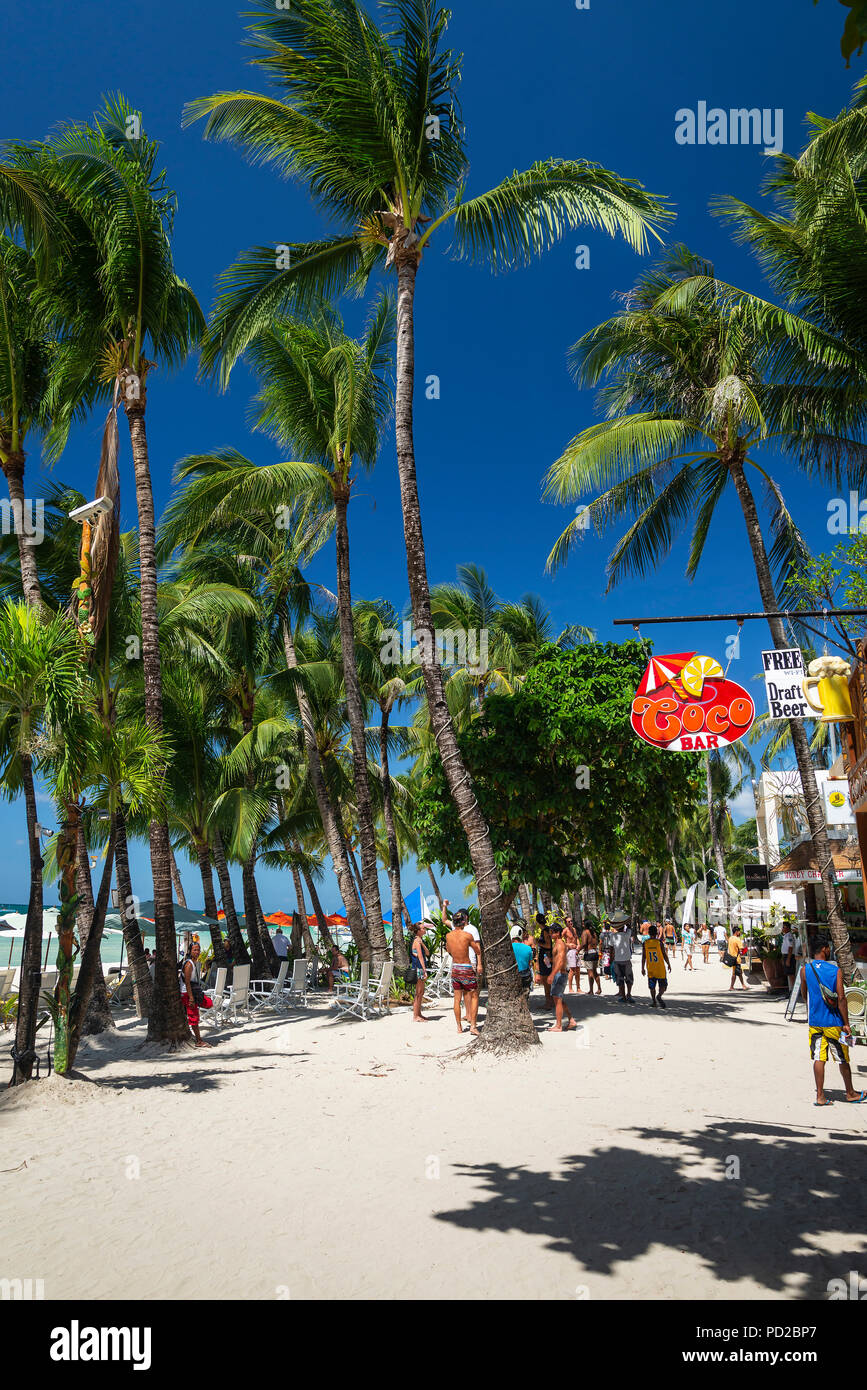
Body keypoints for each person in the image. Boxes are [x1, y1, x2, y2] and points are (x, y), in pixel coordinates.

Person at [800, 938, 864, 1106]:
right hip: (833, 1021)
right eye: (828, 948)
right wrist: (847, 1023)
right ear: (824, 949)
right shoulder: (835, 970)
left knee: (818, 1058)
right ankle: (850, 1093)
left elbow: (803, 995)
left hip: (815, 1022)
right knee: (842, 1059)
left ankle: (820, 1096)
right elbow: (841, 999)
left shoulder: (805, 970)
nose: (829, 950)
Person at [446, 915, 483, 1036]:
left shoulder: (448, 936)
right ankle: (473, 1026)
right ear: (463, 922)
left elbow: (448, 950)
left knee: (457, 999)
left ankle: (459, 1027)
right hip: (466, 968)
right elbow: (477, 950)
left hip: (455, 968)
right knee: (474, 996)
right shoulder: (467, 935)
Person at [179, 940, 213, 1048]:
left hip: (192, 992)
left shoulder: (193, 963)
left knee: (209, 1003)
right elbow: (187, 982)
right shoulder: (189, 964)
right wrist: (191, 998)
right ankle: (199, 1041)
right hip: (187, 993)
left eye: (198, 950)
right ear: (190, 951)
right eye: (195, 950)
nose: (197, 952)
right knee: (193, 1016)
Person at [547, 923, 575, 1032]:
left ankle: (559, 1026)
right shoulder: (558, 944)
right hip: (559, 974)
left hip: (559, 974)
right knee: (559, 1000)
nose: (550, 935)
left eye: (551, 933)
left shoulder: (560, 944)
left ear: (557, 933)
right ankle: (571, 1020)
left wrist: (552, 975)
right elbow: (557, 961)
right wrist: (550, 960)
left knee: (557, 1001)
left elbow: (561, 962)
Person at [642, 923, 670, 1008]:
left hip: (651, 968)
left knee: (652, 987)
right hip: (660, 968)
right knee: (663, 986)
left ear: (649, 933)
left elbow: (644, 957)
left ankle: (654, 1001)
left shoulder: (645, 943)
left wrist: (642, 968)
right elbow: (664, 954)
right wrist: (668, 964)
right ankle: (659, 996)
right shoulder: (659, 943)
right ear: (656, 933)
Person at [611, 916, 635, 1003]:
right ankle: (628, 994)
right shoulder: (626, 934)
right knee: (629, 979)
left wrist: (611, 959)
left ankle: (623, 996)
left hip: (617, 961)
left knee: (620, 979)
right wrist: (626, 922)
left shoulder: (612, 936)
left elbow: (611, 949)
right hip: (627, 960)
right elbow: (629, 927)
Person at [409, 923, 430, 1021]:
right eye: (423, 928)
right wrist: (424, 970)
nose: (425, 929)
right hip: (419, 969)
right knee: (418, 992)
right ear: (418, 931)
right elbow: (421, 957)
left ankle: (419, 1014)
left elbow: (427, 953)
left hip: (420, 968)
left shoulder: (419, 941)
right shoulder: (416, 942)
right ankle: (415, 1016)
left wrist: (422, 943)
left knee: (421, 992)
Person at [536, 914, 553, 1008]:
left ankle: (548, 1003)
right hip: (545, 957)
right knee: (546, 981)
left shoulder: (545, 931)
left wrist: (538, 942)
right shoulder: (546, 930)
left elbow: (548, 945)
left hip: (545, 958)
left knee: (546, 981)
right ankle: (550, 1001)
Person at [580, 921, 602, 996]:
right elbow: (597, 942)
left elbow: (584, 944)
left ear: (584, 925)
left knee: (590, 973)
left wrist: (577, 950)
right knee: (595, 972)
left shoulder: (585, 932)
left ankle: (591, 990)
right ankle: (599, 988)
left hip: (588, 954)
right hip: (595, 953)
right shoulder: (594, 933)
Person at [512, 928, 534, 993]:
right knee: (525, 994)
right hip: (526, 975)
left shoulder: (509, 947)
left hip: (513, 975)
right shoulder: (528, 948)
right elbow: (530, 963)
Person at [564, 915, 581, 993]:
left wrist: (578, 945)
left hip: (576, 951)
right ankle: (570, 988)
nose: (571, 922)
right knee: (572, 970)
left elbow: (576, 938)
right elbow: (559, 940)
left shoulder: (574, 929)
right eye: (569, 921)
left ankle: (578, 988)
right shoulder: (565, 930)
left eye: (571, 921)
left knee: (578, 969)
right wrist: (568, 945)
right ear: (566, 923)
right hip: (570, 951)